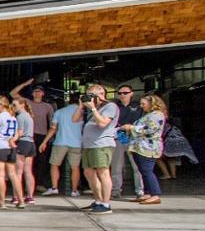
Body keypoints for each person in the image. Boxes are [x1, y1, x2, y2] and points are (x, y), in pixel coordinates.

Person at [75, 83, 120, 214]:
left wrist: (93, 109)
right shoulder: (92, 108)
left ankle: (106, 204)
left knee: (103, 172)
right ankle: (98, 200)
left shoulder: (110, 106)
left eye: (91, 95)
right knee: (89, 173)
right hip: (89, 144)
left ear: (101, 94)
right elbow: (75, 119)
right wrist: (81, 106)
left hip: (101, 144)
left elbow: (103, 123)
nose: (90, 98)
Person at [122, 93, 167, 205]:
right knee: (143, 171)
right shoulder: (149, 114)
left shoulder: (157, 115)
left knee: (147, 171)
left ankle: (155, 194)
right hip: (140, 147)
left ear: (152, 103)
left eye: (143, 104)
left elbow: (149, 129)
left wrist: (131, 127)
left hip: (148, 148)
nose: (141, 106)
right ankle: (149, 192)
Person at [11, 77, 55, 187]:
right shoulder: (27, 102)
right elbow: (13, 93)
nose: (37, 93)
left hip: (42, 136)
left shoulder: (48, 106)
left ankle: (38, 184)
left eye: (39, 91)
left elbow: (52, 125)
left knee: (41, 161)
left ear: (43, 93)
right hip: (27, 135)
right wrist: (25, 83)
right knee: (26, 163)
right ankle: (24, 185)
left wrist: (46, 141)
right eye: (35, 91)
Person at [39, 92, 84, 197]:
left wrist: (44, 142)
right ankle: (74, 190)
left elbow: (53, 128)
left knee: (54, 165)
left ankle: (54, 187)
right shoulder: (82, 112)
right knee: (75, 167)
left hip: (60, 142)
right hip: (76, 142)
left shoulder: (60, 111)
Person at [110, 85, 143, 201]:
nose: (122, 95)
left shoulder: (138, 106)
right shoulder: (114, 107)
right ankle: (116, 190)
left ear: (131, 93)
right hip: (120, 134)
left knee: (137, 166)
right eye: (120, 93)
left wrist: (133, 127)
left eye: (125, 93)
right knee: (116, 165)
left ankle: (140, 191)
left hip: (134, 136)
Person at [10, 97, 38, 203]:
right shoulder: (29, 116)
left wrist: (12, 140)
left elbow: (20, 132)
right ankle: (30, 196)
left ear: (22, 105)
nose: (13, 107)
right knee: (28, 171)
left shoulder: (20, 116)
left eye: (15, 105)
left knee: (18, 171)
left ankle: (16, 196)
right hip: (31, 143)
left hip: (23, 142)